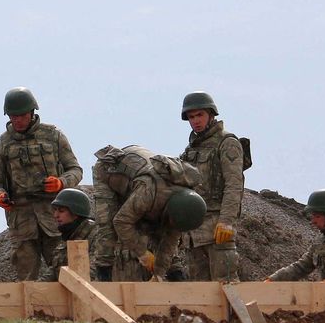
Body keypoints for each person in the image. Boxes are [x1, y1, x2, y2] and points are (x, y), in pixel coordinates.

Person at [0, 88, 83, 282]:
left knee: (63, 271)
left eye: (21, 115)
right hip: (21, 220)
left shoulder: (53, 136)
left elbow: (75, 170)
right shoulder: (3, 145)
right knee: (25, 276)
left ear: (32, 113)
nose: (17, 120)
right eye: (13, 116)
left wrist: (61, 183)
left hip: (53, 217)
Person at [91, 145, 206, 282]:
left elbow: (170, 241)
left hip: (137, 184)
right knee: (107, 225)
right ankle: (104, 275)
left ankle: (176, 276)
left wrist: (158, 274)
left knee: (160, 231)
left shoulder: (184, 208)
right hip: (108, 171)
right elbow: (121, 222)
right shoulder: (148, 193)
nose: (171, 226)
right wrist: (142, 252)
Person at [178, 91, 246, 282]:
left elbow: (234, 185)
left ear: (211, 114)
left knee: (227, 289)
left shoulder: (228, 143)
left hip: (217, 230)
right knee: (200, 297)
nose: (195, 121)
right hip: (194, 232)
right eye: (191, 117)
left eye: (199, 115)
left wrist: (227, 221)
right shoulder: (191, 149)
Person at [51, 186, 96, 277]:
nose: (56, 215)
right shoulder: (69, 235)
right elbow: (54, 272)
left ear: (75, 213)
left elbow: (93, 274)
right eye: (55, 210)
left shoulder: (96, 236)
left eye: (61, 211)